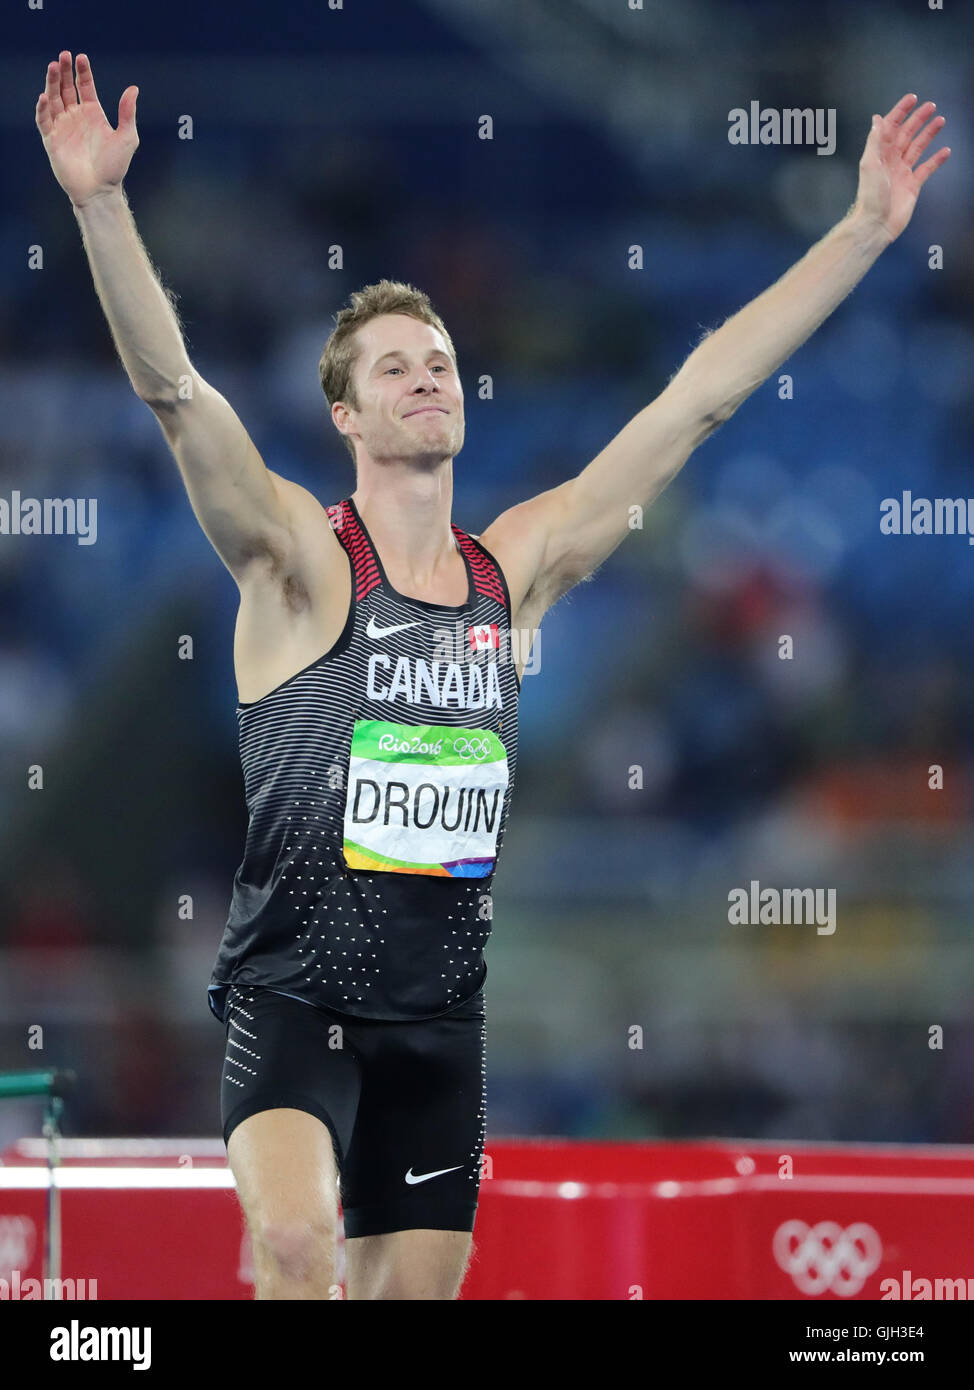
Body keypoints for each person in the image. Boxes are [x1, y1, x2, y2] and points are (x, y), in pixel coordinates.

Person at [36, 50, 948, 1299]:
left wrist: (856, 231)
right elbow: (175, 393)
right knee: (297, 1249)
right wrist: (98, 204)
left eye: (439, 358)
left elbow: (696, 401)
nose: (427, 376)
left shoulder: (511, 571)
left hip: (436, 1024)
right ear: (347, 417)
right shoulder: (301, 562)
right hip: (294, 1006)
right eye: (393, 367)